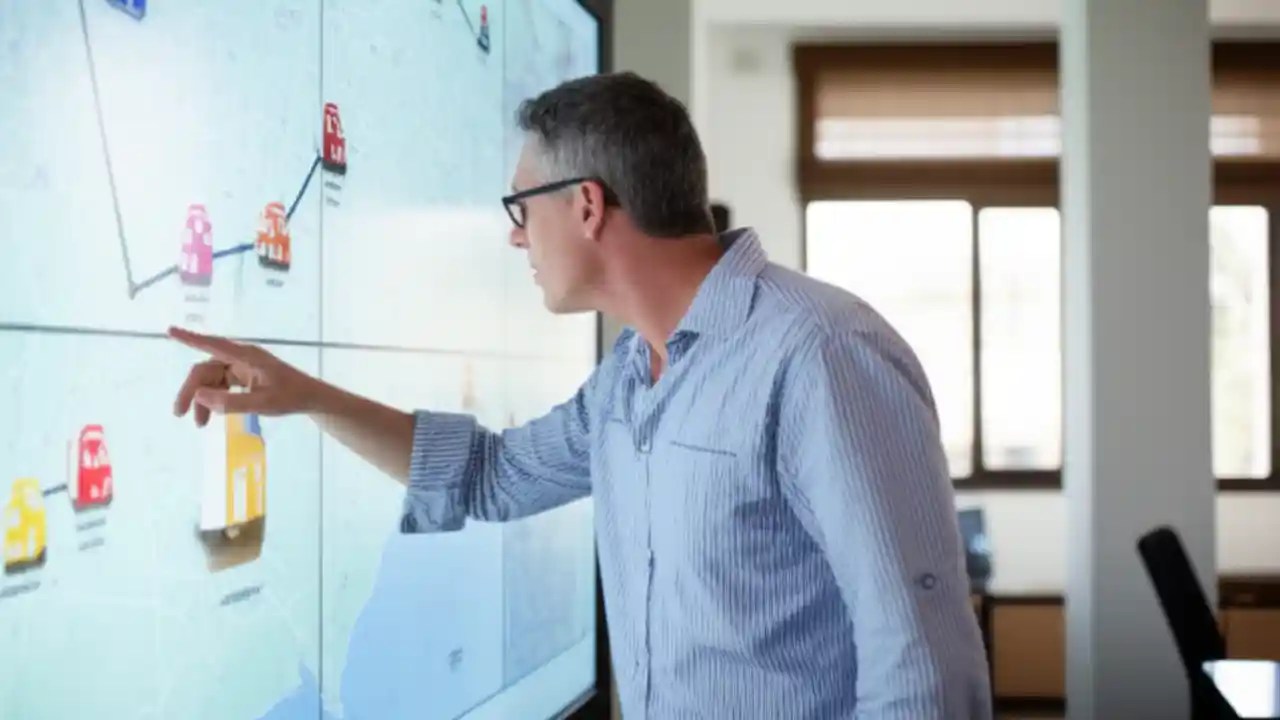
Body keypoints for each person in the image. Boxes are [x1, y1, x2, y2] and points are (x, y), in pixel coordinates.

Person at [169, 71, 992, 719]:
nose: (514, 234)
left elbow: (919, 665)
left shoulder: (820, 354)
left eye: (521, 207)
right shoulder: (631, 379)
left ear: (588, 205)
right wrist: (305, 394)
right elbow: (488, 476)